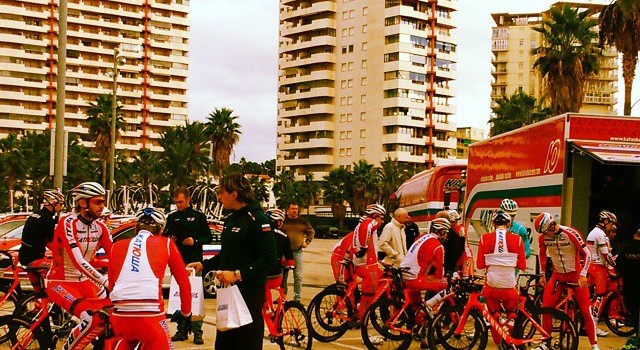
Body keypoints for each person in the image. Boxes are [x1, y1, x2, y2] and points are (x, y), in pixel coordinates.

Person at [187, 173, 276, 350]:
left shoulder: (258, 220)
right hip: (227, 295)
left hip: (248, 297)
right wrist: (204, 265)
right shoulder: (230, 220)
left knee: (245, 344)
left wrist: (238, 274)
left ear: (234, 194)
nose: (218, 197)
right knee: (224, 344)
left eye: (221, 192)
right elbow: (226, 254)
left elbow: (269, 260)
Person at [109, 207, 192, 350]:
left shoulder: (115, 246)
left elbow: (111, 285)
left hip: (120, 315)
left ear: (135, 228)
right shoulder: (166, 243)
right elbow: (183, 282)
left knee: (123, 341)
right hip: (150, 315)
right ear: (160, 230)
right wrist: (186, 312)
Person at [46, 182, 113, 350]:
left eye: (103, 202)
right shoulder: (67, 223)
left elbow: (116, 256)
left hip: (85, 282)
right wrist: (105, 281)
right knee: (91, 318)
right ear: (83, 203)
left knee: (109, 317)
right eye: (97, 202)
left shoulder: (100, 227)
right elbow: (78, 261)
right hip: (61, 281)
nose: (102, 206)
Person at [535, 212, 600, 350]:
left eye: (546, 231)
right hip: (558, 276)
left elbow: (587, 253)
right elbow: (542, 254)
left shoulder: (570, 233)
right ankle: (545, 342)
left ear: (552, 225)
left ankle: (594, 345)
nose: (545, 235)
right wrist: (542, 274)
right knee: (546, 307)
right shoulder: (543, 238)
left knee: (586, 310)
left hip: (575, 275)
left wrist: (583, 273)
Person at [163, 186, 211, 344]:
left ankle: (197, 331)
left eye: (181, 202)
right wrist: (171, 240)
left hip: (194, 262)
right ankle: (181, 329)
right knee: (179, 297)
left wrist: (194, 241)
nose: (178, 205)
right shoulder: (172, 217)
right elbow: (164, 237)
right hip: (178, 261)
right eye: (176, 202)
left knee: (195, 297)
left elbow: (208, 237)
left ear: (188, 200)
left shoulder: (198, 217)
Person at [477, 211, 527, 345]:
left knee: (493, 314)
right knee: (512, 311)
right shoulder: (517, 239)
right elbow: (522, 265)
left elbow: (480, 264)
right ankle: (510, 321)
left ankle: (499, 336)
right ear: (508, 224)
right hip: (509, 285)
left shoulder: (484, 238)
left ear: (493, 223)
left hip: (491, 286)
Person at [18, 189, 64, 292]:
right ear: (53, 203)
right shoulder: (47, 219)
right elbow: (51, 243)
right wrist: (65, 254)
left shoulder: (36, 214)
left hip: (25, 256)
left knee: (39, 288)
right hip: (34, 258)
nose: (61, 207)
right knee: (59, 270)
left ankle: (38, 304)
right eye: (60, 204)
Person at [352, 204, 385, 319]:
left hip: (365, 262)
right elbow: (367, 228)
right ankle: (363, 317)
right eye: (381, 217)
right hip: (366, 264)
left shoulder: (363, 223)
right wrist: (364, 247)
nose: (383, 221)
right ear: (375, 215)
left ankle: (368, 309)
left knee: (383, 278)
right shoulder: (369, 222)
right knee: (368, 294)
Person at [587, 210, 617, 337]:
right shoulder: (599, 234)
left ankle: (588, 323)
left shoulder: (596, 232)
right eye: (611, 223)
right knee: (601, 296)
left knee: (593, 297)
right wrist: (616, 264)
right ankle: (593, 324)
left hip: (593, 266)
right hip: (597, 267)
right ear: (605, 222)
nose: (612, 226)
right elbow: (606, 255)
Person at [280, 202, 314, 302]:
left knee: (298, 276)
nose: (295, 211)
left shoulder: (302, 221)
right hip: (285, 253)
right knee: (283, 276)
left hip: (297, 251)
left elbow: (311, 232)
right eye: (293, 209)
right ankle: (282, 296)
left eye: (296, 209)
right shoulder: (283, 221)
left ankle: (297, 298)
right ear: (288, 210)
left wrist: (307, 242)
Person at [616, 228, 640, 350]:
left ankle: (638, 335)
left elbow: (618, 266)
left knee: (635, 313)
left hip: (630, 287)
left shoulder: (626, 249)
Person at [265, 209, 295, 290]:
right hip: (276, 273)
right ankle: (281, 299)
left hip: (261, 272)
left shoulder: (260, 233)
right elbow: (289, 255)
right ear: (277, 222)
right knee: (280, 286)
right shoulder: (284, 236)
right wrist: (290, 264)